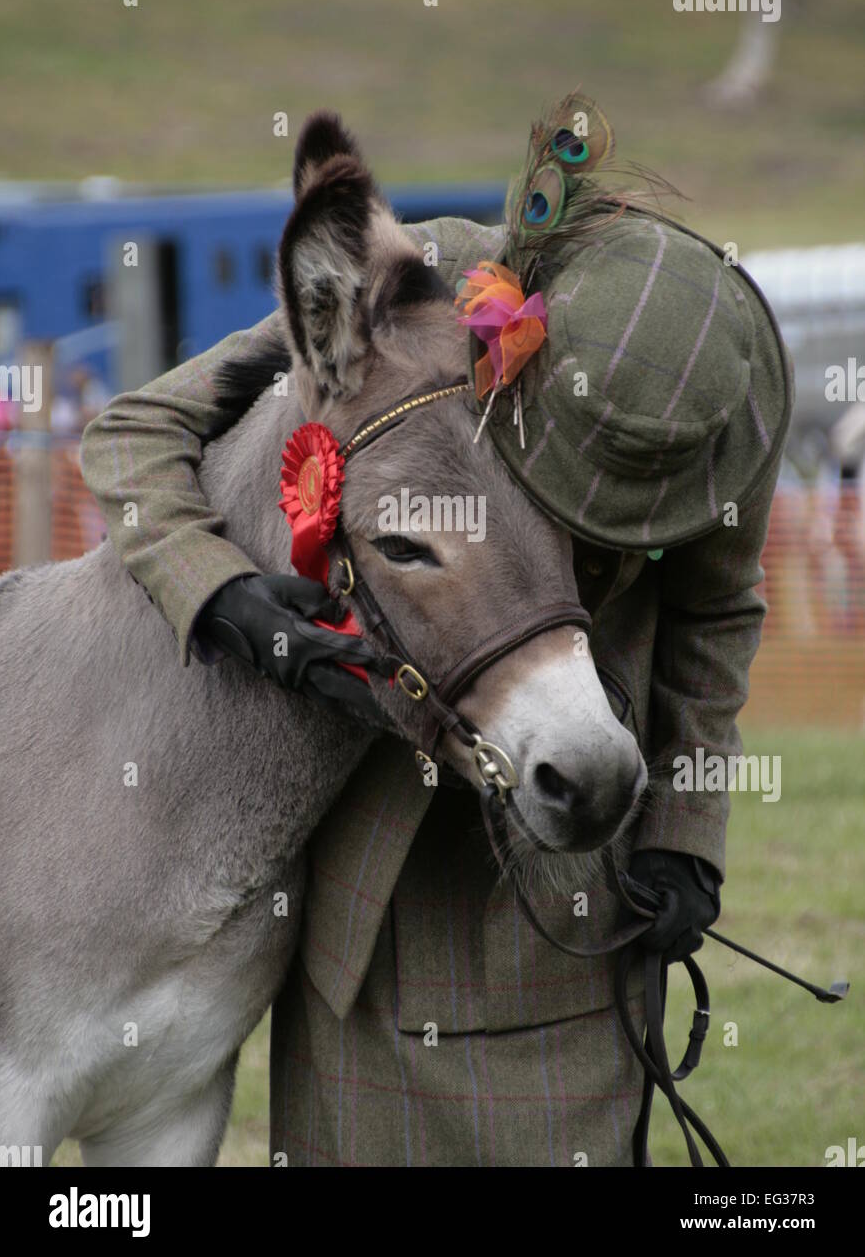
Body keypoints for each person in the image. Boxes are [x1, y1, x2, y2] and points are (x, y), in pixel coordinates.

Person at [80, 97, 791, 1167]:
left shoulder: (720, 398)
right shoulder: (423, 297)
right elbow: (138, 429)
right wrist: (219, 594)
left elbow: (714, 612)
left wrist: (686, 837)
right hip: (365, 897)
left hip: (575, 891)